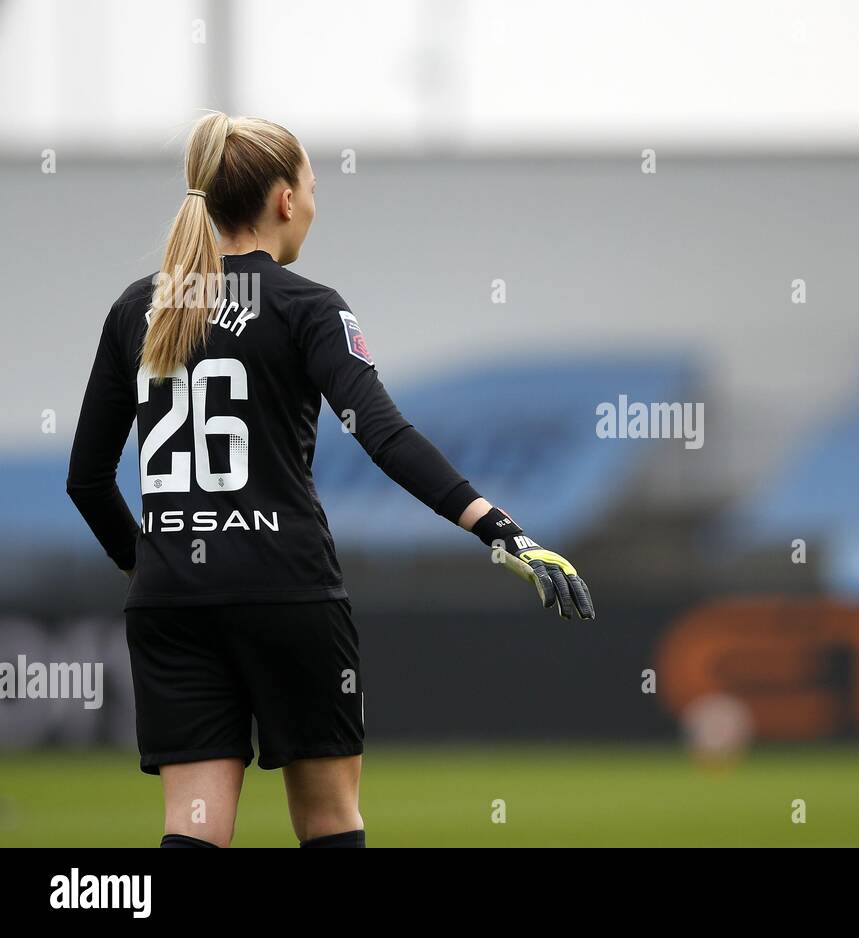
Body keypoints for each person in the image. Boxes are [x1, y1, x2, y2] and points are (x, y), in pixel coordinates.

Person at [65, 112, 594, 848]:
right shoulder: (308, 306)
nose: (314, 202)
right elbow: (383, 434)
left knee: (193, 830)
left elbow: (87, 480)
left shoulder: (137, 308)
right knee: (327, 821)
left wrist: (149, 563)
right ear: (284, 199)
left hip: (172, 602)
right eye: (312, 186)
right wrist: (499, 529)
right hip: (289, 588)